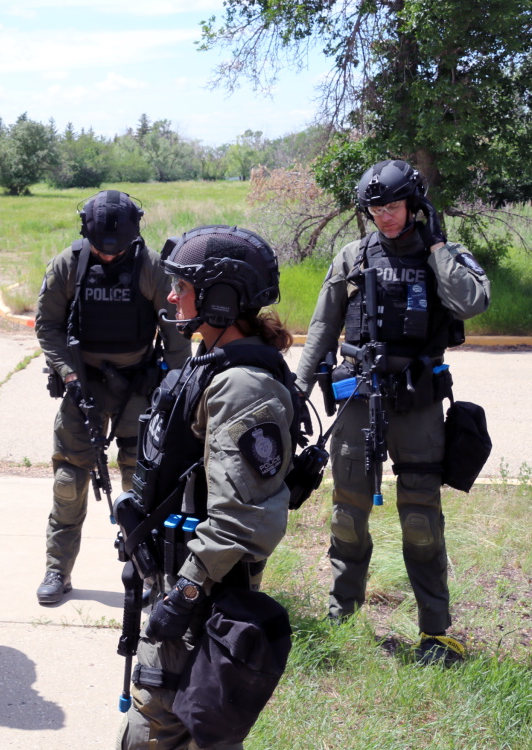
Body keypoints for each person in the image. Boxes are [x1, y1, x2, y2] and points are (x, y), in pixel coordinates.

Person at [295, 159, 491, 664]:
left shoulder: (441, 255)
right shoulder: (353, 256)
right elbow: (321, 327)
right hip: (360, 395)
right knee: (347, 514)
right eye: (376, 209)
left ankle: (435, 631)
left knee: (421, 520)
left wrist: (439, 247)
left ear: (416, 204)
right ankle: (344, 615)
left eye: (395, 206)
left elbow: (471, 302)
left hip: (419, 403)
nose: (386, 217)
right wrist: (296, 390)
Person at [118, 225, 297, 750]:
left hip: (206, 592)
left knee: (164, 729)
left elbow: (242, 516)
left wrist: (186, 592)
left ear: (222, 299)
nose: (171, 295)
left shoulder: (243, 387)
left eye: (183, 286)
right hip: (183, 576)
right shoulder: (214, 362)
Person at [34, 190, 192, 604]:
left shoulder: (151, 266)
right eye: (100, 250)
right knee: (70, 481)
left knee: (141, 485)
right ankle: (57, 570)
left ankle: (148, 575)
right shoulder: (68, 263)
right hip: (81, 387)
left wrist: (174, 390)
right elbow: (48, 326)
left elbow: (176, 333)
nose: (107, 257)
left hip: (138, 387)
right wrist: (67, 373)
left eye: (116, 250)